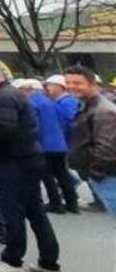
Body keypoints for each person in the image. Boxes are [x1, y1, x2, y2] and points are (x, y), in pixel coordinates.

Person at [0, 62, 62, 272]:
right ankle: (49, 261)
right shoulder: (9, 95)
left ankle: (13, 260)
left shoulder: (1, 96)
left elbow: (6, 128)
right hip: (28, 158)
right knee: (35, 211)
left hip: (13, 160)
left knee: (13, 211)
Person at [61, 66, 116, 272]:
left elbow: (107, 148)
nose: (72, 87)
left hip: (109, 177)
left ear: (93, 84)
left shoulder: (104, 111)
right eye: (69, 83)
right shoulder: (91, 106)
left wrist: (94, 173)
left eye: (77, 83)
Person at [36, 76, 79, 214]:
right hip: (60, 144)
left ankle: (56, 202)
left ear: (59, 87)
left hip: (51, 144)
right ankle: (71, 202)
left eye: (49, 85)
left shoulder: (66, 103)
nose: (47, 88)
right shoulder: (57, 103)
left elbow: (69, 123)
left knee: (48, 174)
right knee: (62, 173)